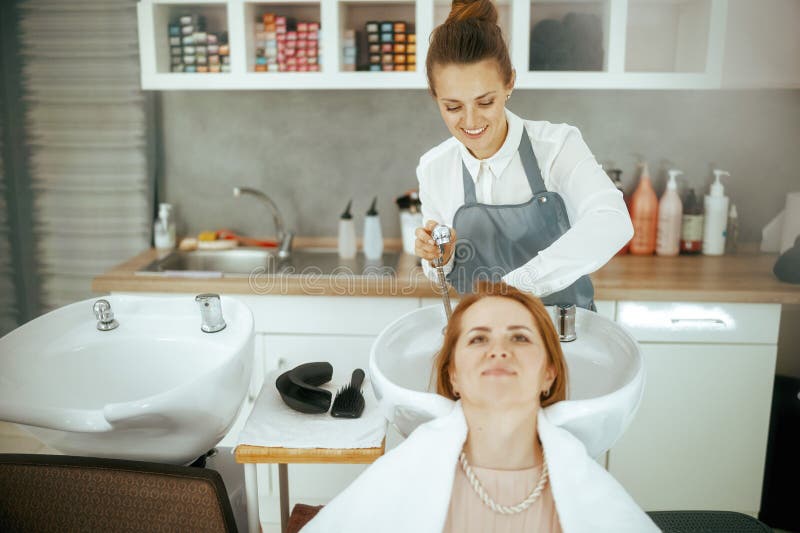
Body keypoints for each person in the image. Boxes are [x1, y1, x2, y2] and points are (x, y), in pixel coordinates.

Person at [301, 281, 658, 533]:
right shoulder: (400, 477)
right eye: (478, 338)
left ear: (549, 373)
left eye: (519, 337)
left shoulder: (592, 496)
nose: (499, 350)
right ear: (453, 375)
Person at [414, 0, 633, 310]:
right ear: (435, 97)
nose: (472, 121)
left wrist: (512, 288)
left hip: (560, 337)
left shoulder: (557, 147)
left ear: (510, 83)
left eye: (485, 102)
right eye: (453, 107)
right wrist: (441, 257)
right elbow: (439, 277)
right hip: (482, 341)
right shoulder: (434, 167)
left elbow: (612, 222)